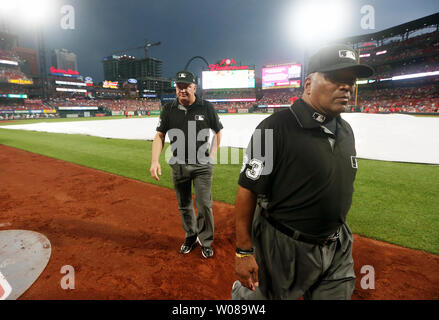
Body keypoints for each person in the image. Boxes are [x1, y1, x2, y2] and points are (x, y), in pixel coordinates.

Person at [232, 44, 375, 300]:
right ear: (308, 84)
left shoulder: (346, 130)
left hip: (337, 245)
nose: (346, 87)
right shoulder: (273, 128)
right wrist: (243, 251)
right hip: (283, 246)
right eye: (335, 78)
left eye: (351, 81)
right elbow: (247, 190)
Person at [150, 70, 223, 259]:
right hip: (178, 164)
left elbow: (218, 131)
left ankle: (205, 241)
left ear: (194, 87)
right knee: (184, 205)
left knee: (204, 205)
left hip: (202, 165)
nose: (182, 90)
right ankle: (191, 236)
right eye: (179, 86)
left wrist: (212, 154)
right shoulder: (168, 109)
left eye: (186, 86)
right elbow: (159, 135)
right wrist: (155, 160)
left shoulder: (206, 107)